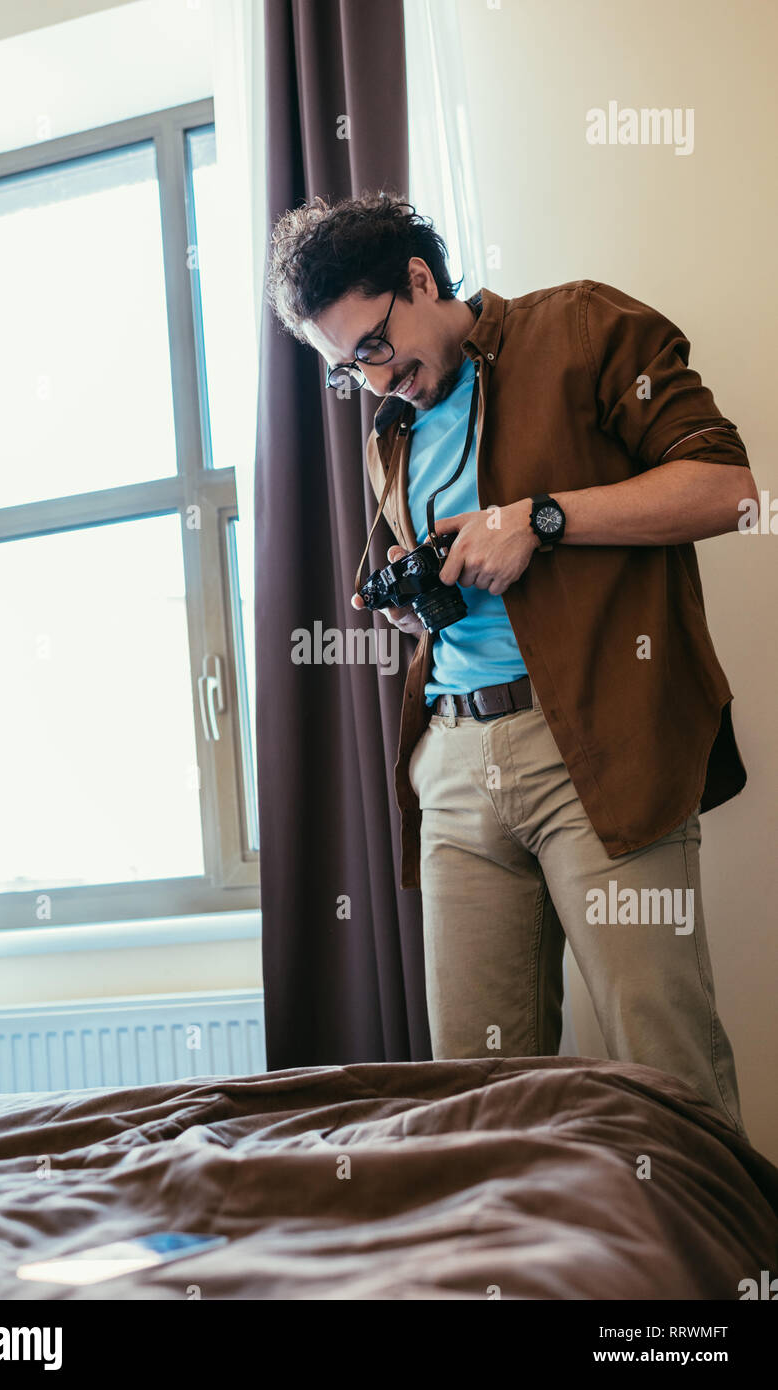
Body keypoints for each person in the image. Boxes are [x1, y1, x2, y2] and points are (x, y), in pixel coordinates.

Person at [265, 191, 756, 1138]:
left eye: (372, 345)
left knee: (662, 1065)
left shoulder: (580, 326)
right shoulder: (391, 431)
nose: (371, 380)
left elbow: (728, 489)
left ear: (418, 280)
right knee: (478, 1097)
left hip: (592, 748)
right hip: (449, 766)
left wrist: (537, 518)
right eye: (345, 369)